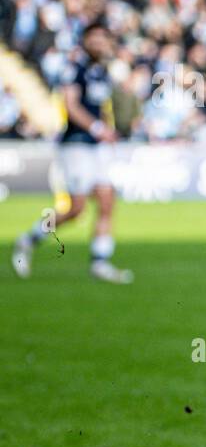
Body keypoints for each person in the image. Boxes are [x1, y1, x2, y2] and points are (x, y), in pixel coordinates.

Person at [12, 20, 133, 284]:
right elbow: (71, 105)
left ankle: (100, 262)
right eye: (95, 38)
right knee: (76, 208)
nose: (100, 43)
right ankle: (29, 239)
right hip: (76, 144)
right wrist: (99, 128)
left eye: (104, 38)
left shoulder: (101, 71)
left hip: (96, 146)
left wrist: (107, 131)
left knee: (106, 199)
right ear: (86, 40)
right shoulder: (74, 68)